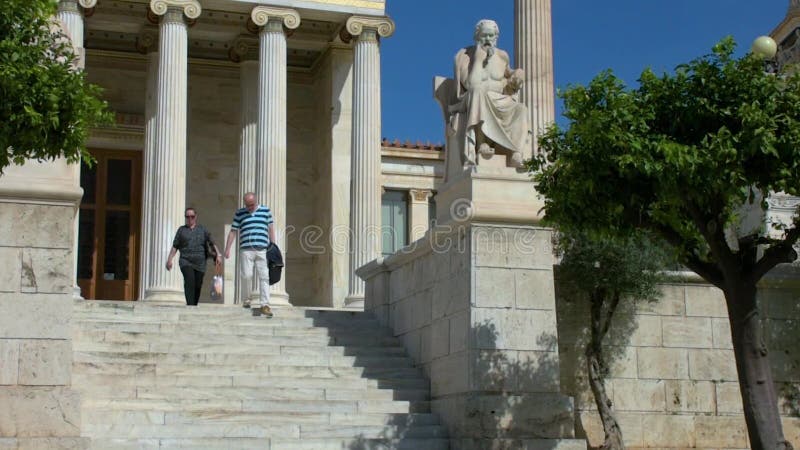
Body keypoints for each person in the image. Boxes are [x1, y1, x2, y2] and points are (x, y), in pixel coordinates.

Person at [453, 19, 530, 167]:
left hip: (500, 99)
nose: (487, 40)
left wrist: (518, 73)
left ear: (496, 37)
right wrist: (478, 58)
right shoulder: (466, 56)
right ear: (477, 37)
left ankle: (516, 153)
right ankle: (482, 143)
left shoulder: (502, 56)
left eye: (491, 36)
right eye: (484, 36)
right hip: (475, 98)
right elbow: (470, 84)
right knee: (478, 91)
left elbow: (510, 73)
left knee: (521, 109)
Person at [224, 192, 276, 318]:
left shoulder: (265, 211)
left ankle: (265, 304)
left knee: (264, 277)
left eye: (252, 205)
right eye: (247, 205)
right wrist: (227, 248)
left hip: (262, 249)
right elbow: (233, 231)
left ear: (256, 201)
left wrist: (273, 246)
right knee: (246, 275)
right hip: (246, 249)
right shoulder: (240, 213)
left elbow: (270, 228)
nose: (250, 207)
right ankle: (246, 299)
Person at [166, 207, 221, 306]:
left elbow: (212, 241)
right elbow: (175, 246)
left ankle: (193, 305)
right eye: (187, 217)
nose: (190, 219)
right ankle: (190, 305)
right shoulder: (181, 230)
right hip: (185, 261)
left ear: (196, 217)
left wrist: (218, 254)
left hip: (200, 263)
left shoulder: (202, 229)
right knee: (189, 281)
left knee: (197, 285)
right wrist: (170, 259)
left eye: (192, 216)